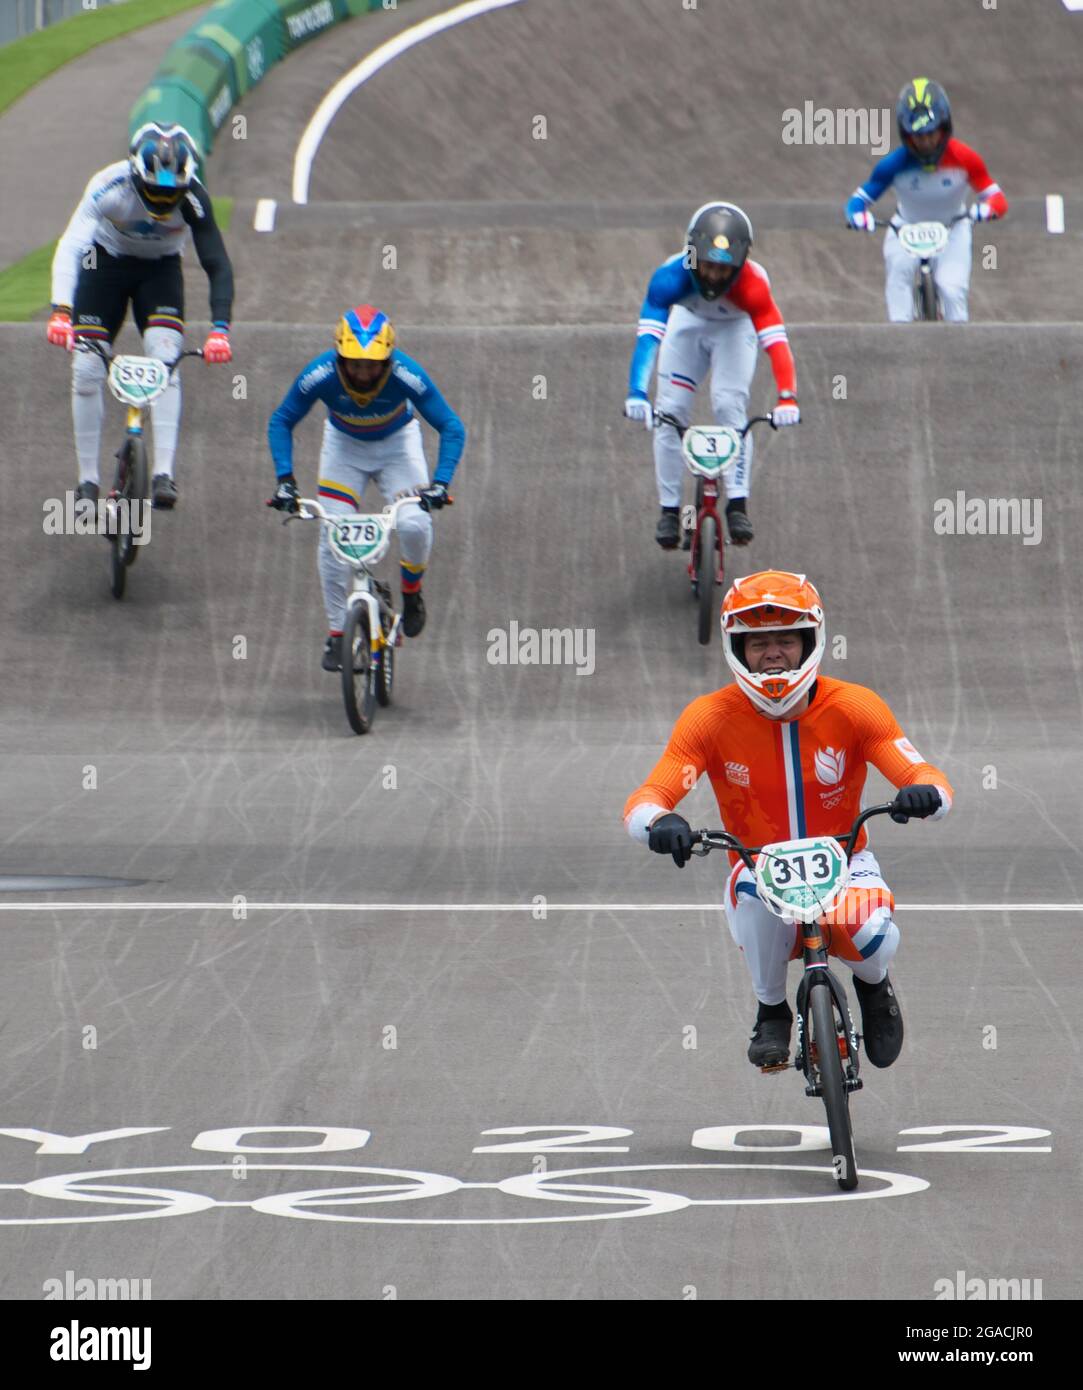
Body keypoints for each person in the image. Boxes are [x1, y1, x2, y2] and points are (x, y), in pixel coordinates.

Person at [622, 570, 954, 1071]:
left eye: (784, 639)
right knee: (756, 906)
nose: (772, 653)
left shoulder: (856, 707)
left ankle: (874, 985)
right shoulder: (708, 718)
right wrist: (659, 821)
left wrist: (925, 795)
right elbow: (649, 794)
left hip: (845, 858)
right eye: (758, 642)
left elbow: (924, 772)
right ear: (738, 646)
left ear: (808, 642)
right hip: (758, 863)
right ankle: (770, 1010)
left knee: (869, 935)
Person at [47, 122, 234, 510]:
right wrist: (61, 311)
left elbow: (216, 262)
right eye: (154, 190)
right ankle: (87, 480)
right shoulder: (108, 185)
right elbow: (71, 246)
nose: (163, 200)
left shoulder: (195, 196)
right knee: (86, 366)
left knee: (166, 357)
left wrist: (220, 330)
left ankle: (163, 473)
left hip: (160, 271)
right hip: (105, 263)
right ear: (135, 175)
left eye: (172, 193)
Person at [267, 305, 465, 667]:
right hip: (344, 448)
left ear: (388, 360)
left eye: (372, 364)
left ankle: (412, 590)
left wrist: (440, 484)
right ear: (339, 358)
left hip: (397, 447)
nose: (362, 373)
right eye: (354, 363)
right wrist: (285, 482)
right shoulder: (319, 373)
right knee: (333, 538)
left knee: (414, 523)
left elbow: (452, 426)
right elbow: (281, 420)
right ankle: (337, 632)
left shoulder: (408, 373)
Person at [624, 202, 799, 549]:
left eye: (725, 269)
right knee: (669, 412)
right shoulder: (670, 277)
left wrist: (787, 397)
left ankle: (737, 504)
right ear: (692, 255)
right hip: (687, 325)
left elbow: (777, 344)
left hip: (735, 329)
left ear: (741, 263)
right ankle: (670, 512)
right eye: (706, 265)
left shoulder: (752, 285)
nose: (714, 276)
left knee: (729, 404)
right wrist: (637, 392)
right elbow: (648, 340)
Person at [845, 78, 1008, 322]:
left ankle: (961, 350)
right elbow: (857, 201)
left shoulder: (965, 158)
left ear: (944, 128)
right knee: (898, 281)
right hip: (905, 228)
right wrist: (858, 216)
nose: (926, 142)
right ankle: (901, 343)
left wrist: (985, 211)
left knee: (952, 290)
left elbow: (996, 198)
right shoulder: (893, 165)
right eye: (918, 137)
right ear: (906, 136)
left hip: (953, 228)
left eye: (931, 134)